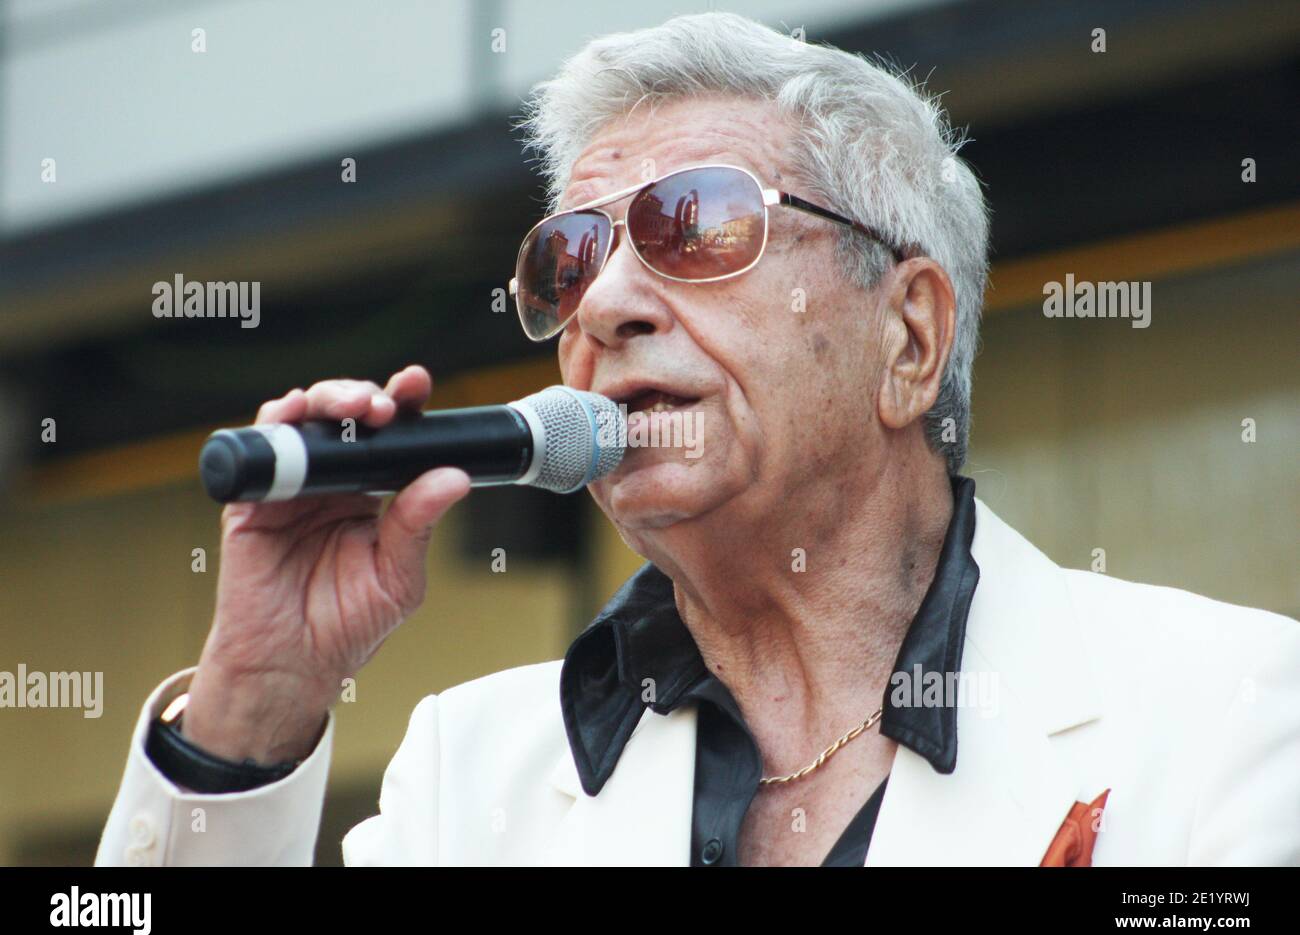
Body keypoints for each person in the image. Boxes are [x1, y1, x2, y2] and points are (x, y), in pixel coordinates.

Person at [96, 12, 1300, 867]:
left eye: (697, 223)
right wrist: (248, 713)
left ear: (908, 337)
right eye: (569, 256)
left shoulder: (1229, 713)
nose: (607, 301)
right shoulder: (475, 772)